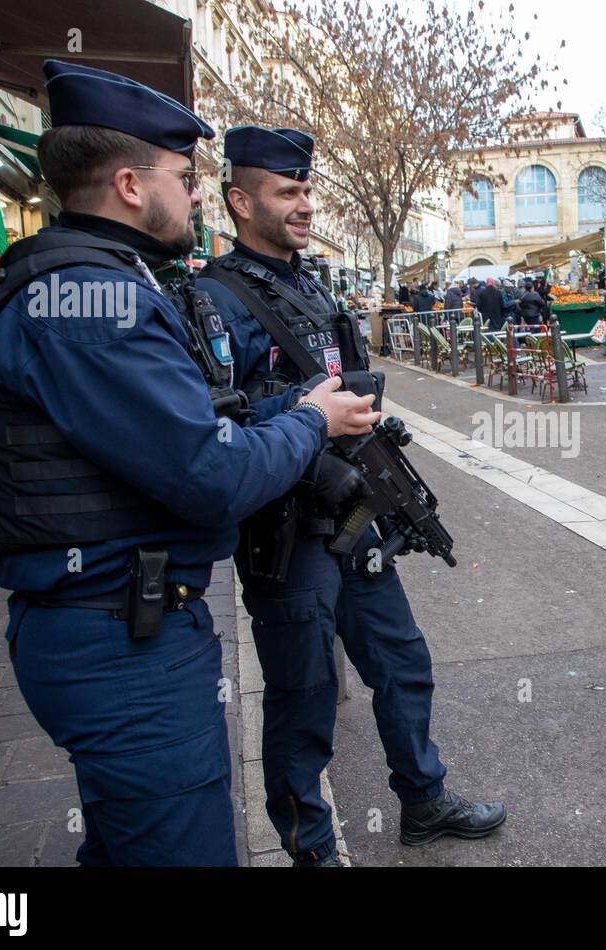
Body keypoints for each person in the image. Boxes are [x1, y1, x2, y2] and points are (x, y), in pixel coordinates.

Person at [0, 62, 381, 866]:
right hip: (120, 638)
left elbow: (178, 431)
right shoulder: (93, 298)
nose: (194, 195)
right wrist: (313, 421)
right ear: (129, 185)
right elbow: (210, 474)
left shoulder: (82, 277)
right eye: (183, 177)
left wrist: (287, 414)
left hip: (113, 620)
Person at [195, 126, 506, 867]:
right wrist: (306, 433)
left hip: (357, 519)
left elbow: (349, 386)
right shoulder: (213, 299)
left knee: (402, 664)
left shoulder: (311, 286)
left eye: (307, 190)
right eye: (287, 192)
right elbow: (216, 429)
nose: (305, 205)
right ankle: (310, 850)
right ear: (240, 200)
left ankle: (424, 801)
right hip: (286, 532)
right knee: (303, 698)